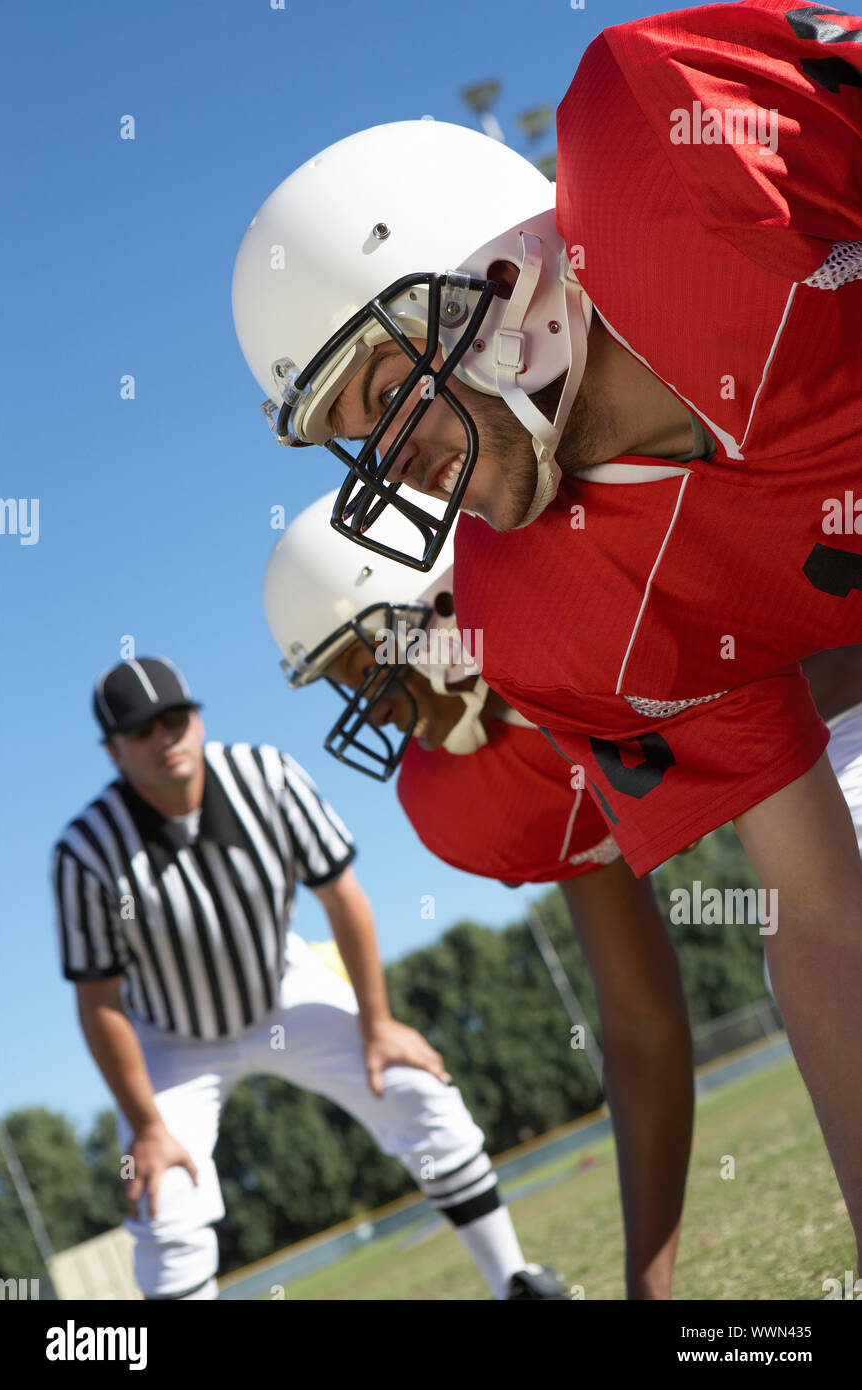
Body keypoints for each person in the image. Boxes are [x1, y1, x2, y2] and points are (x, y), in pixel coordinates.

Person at [230, 3, 862, 1263]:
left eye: (383, 399)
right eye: (354, 441)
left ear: (494, 278)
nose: (393, 471)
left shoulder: (666, 139)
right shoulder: (555, 615)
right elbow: (818, 906)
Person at [264, 495, 694, 1300]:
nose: (375, 712)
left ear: (438, 608)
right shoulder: (482, 785)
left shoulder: (596, 598)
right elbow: (641, 1020)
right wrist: (649, 1290)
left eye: (368, 674)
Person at [50, 656, 567, 1300]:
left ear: (198, 719)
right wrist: (148, 1127)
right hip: (172, 1035)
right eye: (141, 730)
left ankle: (513, 1281)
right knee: (166, 1198)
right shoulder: (85, 851)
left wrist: (378, 1024)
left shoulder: (267, 776)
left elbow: (343, 897)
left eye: (174, 718)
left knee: (415, 1086)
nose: (164, 738)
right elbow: (98, 1003)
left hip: (283, 989)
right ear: (113, 752)